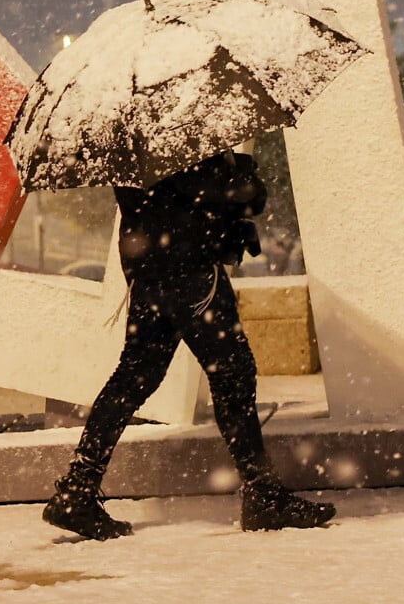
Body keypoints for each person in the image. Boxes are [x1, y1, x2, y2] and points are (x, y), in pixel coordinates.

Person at [43, 149, 336, 540]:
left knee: (134, 377)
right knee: (232, 374)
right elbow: (244, 197)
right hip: (191, 273)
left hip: (150, 272)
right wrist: (240, 171)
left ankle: (78, 488)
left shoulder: (134, 142)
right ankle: (263, 494)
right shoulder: (182, 139)